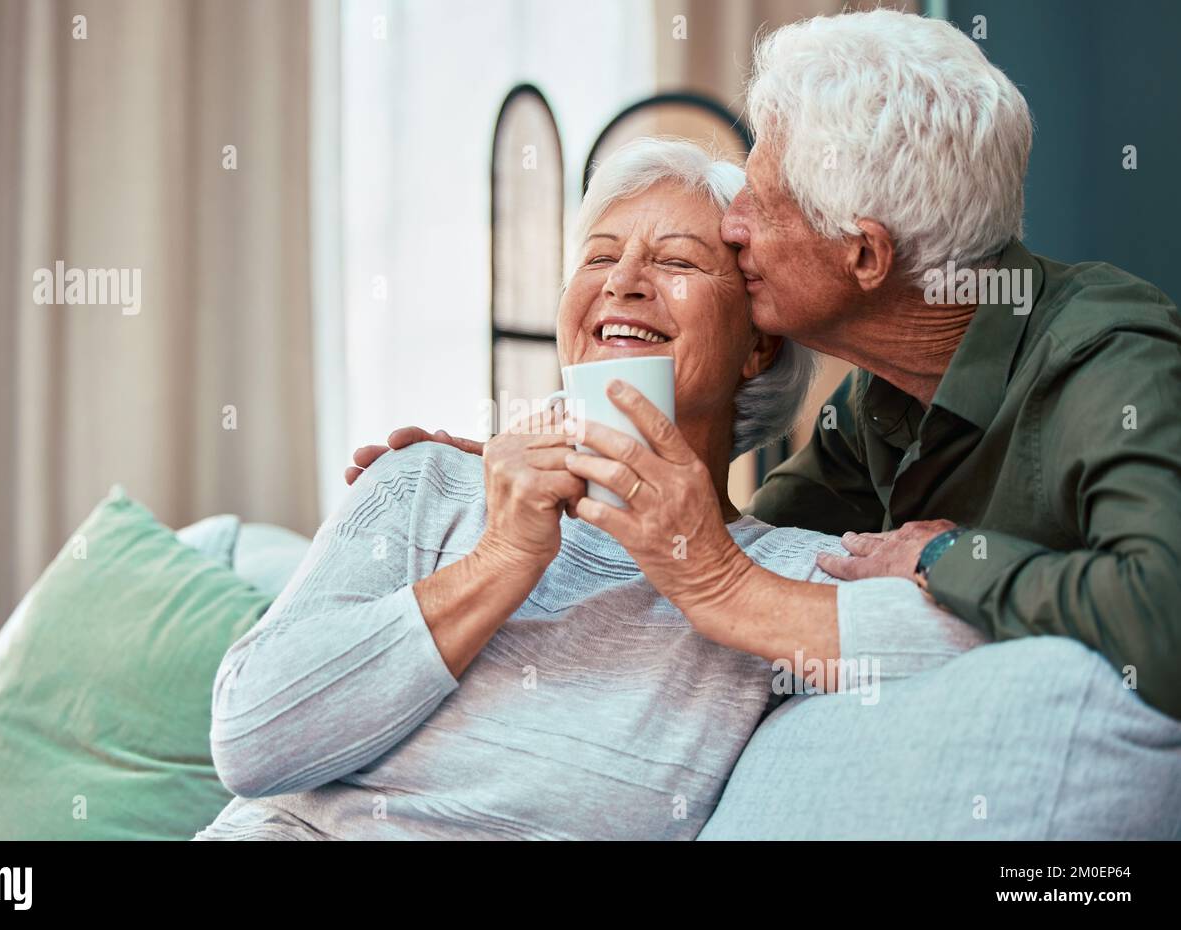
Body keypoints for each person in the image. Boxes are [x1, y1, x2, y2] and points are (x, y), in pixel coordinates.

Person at [354, 9, 1181, 719]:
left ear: (864, 255)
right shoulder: (879, 402)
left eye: (760, 199)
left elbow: (1166, 619)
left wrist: (941, 560)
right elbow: (740, 540)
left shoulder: (1111, 363)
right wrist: (528, 472)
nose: (733, 224)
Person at [195, 139, 982, 840]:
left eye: (676, 262)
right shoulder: (423, 485)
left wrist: (714, 577)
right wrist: (500, 559)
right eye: (600, 258)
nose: (625, 284)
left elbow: (982, 664)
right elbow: (251, 740)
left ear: (756, 348)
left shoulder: (775, 576)